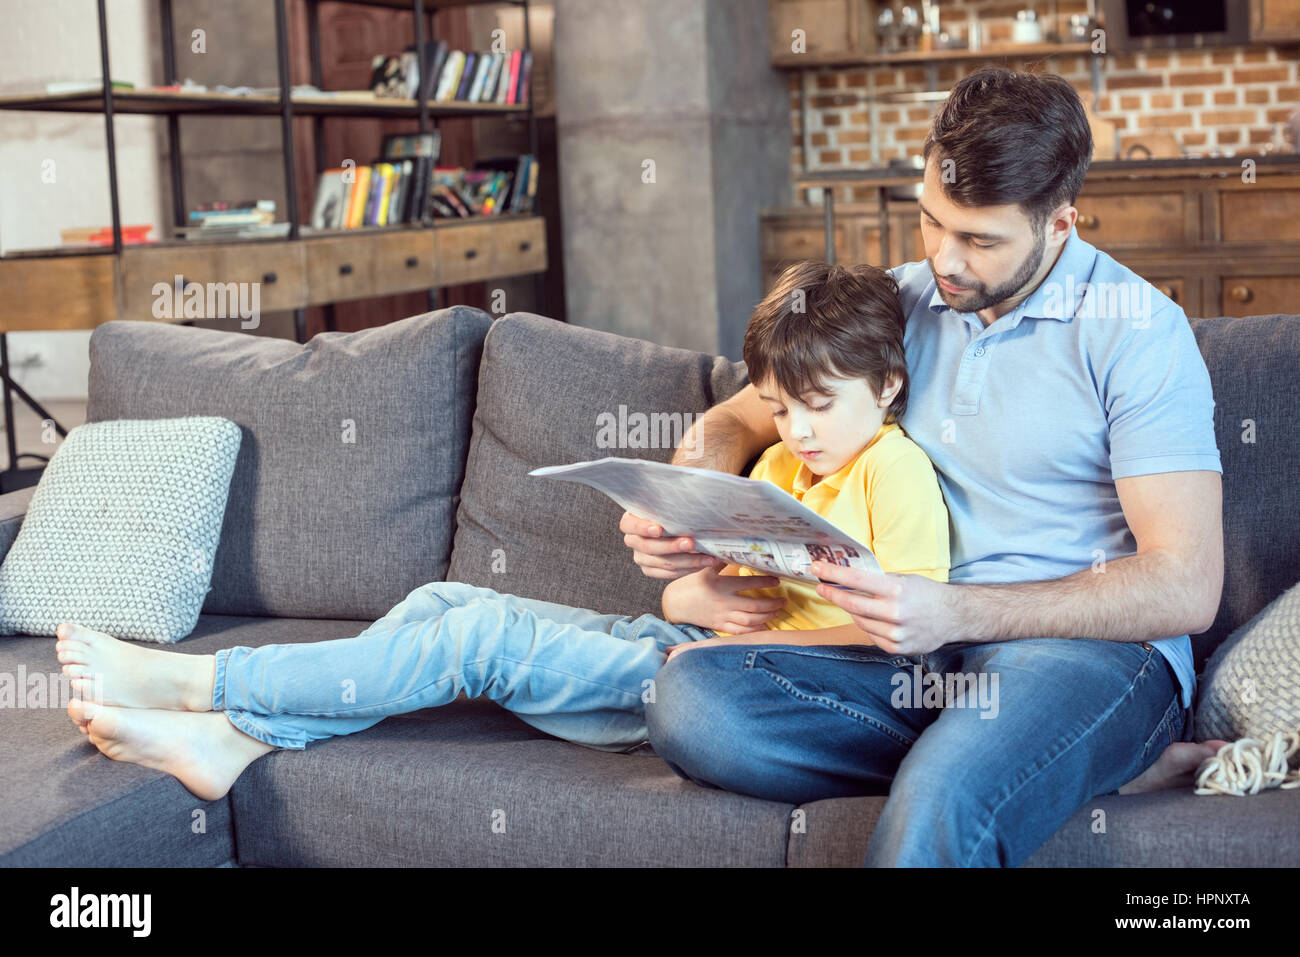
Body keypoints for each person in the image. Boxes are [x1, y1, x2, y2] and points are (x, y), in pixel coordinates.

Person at [625, 65, 1230, 867]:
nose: (945, 260)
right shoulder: (897, 302)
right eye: (931, 223)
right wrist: (687, 498)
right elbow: (743, 411)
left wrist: (959, 610)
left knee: (946, 794)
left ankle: (1013, 758)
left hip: (1078, 652)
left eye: (979, 240)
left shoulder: (1139, 332)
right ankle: (1059, 768)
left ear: (1060, 225)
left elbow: (1186, 582)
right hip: (903, 650)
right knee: (691, 701)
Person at [56, 261, 949, 802]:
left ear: (890, 388)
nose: (796, 430)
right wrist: (690, 586)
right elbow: (695, 593)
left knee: (479, 640)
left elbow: (899, 628)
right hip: (684, 636)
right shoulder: (788, 466)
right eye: (782, 408)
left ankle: (202, 683)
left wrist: (714, 655)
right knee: (445, 598)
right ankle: (243, 739)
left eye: (818, 408)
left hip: (733, 681)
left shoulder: (892, 470)